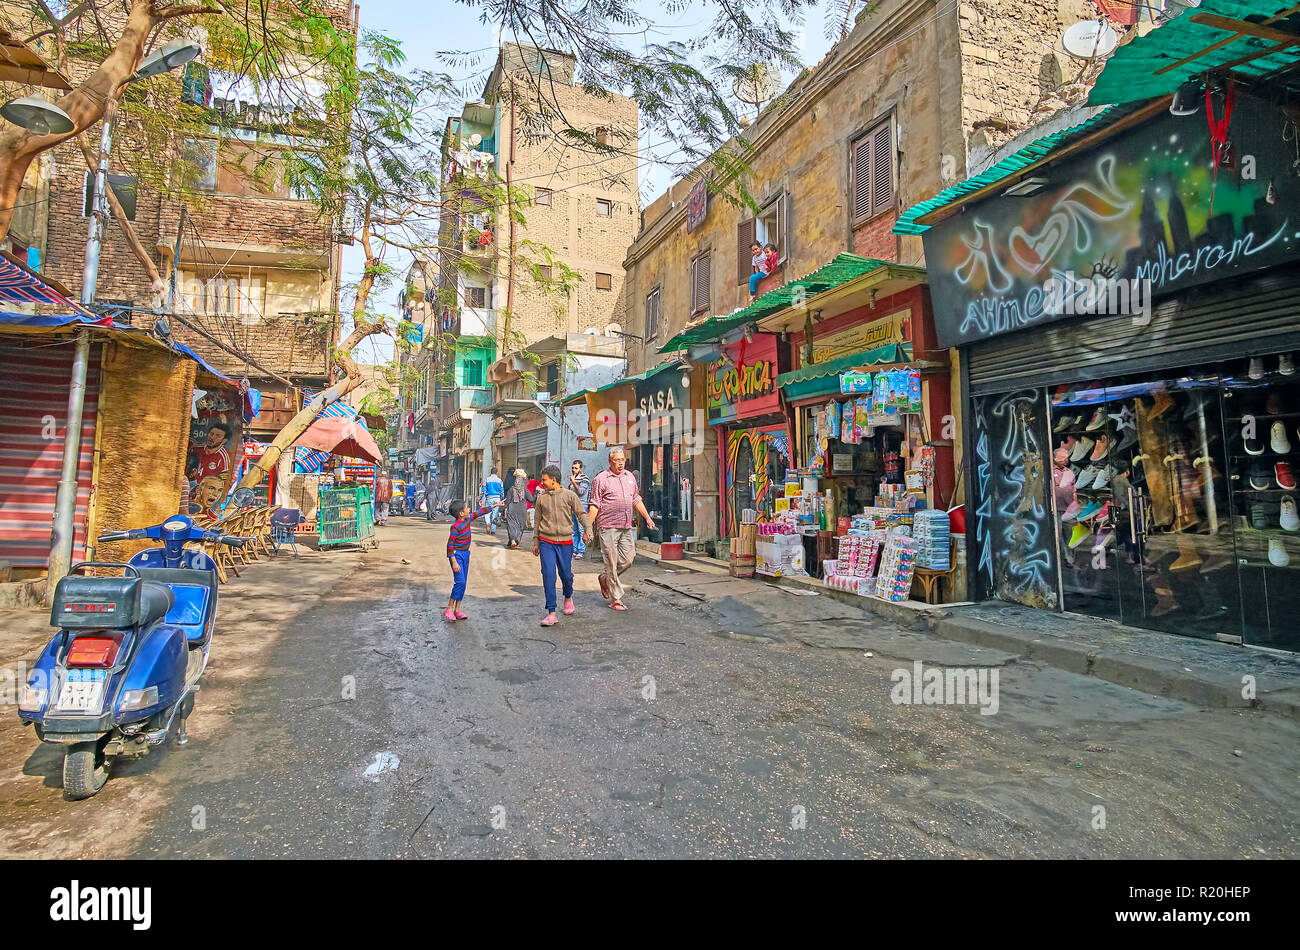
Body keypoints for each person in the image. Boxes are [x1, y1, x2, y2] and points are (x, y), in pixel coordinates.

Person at [588, 446, 656, 611]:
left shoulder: (630, 477)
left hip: (626, 525)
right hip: (607, 526)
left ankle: (605, 578)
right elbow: (595, 504)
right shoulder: (601, 479)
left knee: (628, 560)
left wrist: (647, 518)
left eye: (622, 460)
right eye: (617, 460)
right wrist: (587, 528)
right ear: (610, 461)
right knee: (611, 562)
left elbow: (636, 499)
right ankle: (616, 598)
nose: (620, 463)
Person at [532, 465, 594, 627]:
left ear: (554, 480)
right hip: (546, 542)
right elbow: (537, 521)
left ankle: (568, 596)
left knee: (566, 575)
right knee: (548, 574)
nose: (542, 483)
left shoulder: (569, 496)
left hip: (566, 542)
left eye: (544, 480)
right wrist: (535, 541)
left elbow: (581, 514)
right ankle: (551, 612)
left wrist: (588, 529)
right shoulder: (541, 498)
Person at [444, 497, 503, 622]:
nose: (469, 509)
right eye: (466, 508)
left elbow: (479, 512)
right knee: (459, 582)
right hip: (457, 555)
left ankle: (457, 610)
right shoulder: (455, 527)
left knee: (463, 583)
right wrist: (453, 561)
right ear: (461, 513)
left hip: (466, 554)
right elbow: (450, 545)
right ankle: (449, 608)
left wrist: (495, 505)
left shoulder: (468, 519)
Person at [568, 460, 592, 559]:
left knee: (582, 530)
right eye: (573, 468)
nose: (574, 470)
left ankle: (581, 550)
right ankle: (574, 549)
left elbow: (581, 491)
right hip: (573, 507)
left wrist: (573, 482)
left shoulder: (584, 479)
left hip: (582, 506)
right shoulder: (573, 478)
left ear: (580, 469)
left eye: (576, 468)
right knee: (574, 530)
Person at [504, 469, 533, 549]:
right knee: (520, 526)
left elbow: (507, 502)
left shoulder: (511, 490)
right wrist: (536, 494)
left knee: (511, 526)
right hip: (522, 510)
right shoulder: (525, 490)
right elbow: (531, 500)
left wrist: (501, 510)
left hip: (512, 509)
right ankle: (516, 540)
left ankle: (512, 540)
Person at [481, 467, 504, 535]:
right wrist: (502, 500)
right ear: (496, 472)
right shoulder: (499, 480)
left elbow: (484, 490)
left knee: (487, 512)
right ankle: (493, 530)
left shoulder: (487, 480)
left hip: (489, 498)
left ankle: (488, 523)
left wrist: (481, 499)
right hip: (497, 498)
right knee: (495, 513)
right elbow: (502, 491)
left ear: (490, 472)